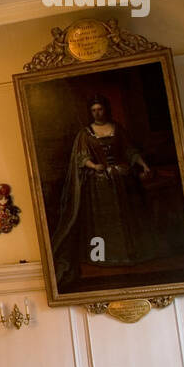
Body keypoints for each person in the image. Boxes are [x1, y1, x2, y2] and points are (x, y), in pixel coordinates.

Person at [51, 94, 157, 286]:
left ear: (105, 109)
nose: (97, 113)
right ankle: (101, 257)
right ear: (90, 112)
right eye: (93, 110)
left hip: (124, 182)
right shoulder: (85, 133)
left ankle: (133, 254)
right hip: (99, 187)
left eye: (100, 109)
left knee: (128, 218)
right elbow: (81, 157)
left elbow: (129, 151)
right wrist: (94, 166)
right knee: (102, 222)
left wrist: (144, 165)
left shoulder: (117, 129)